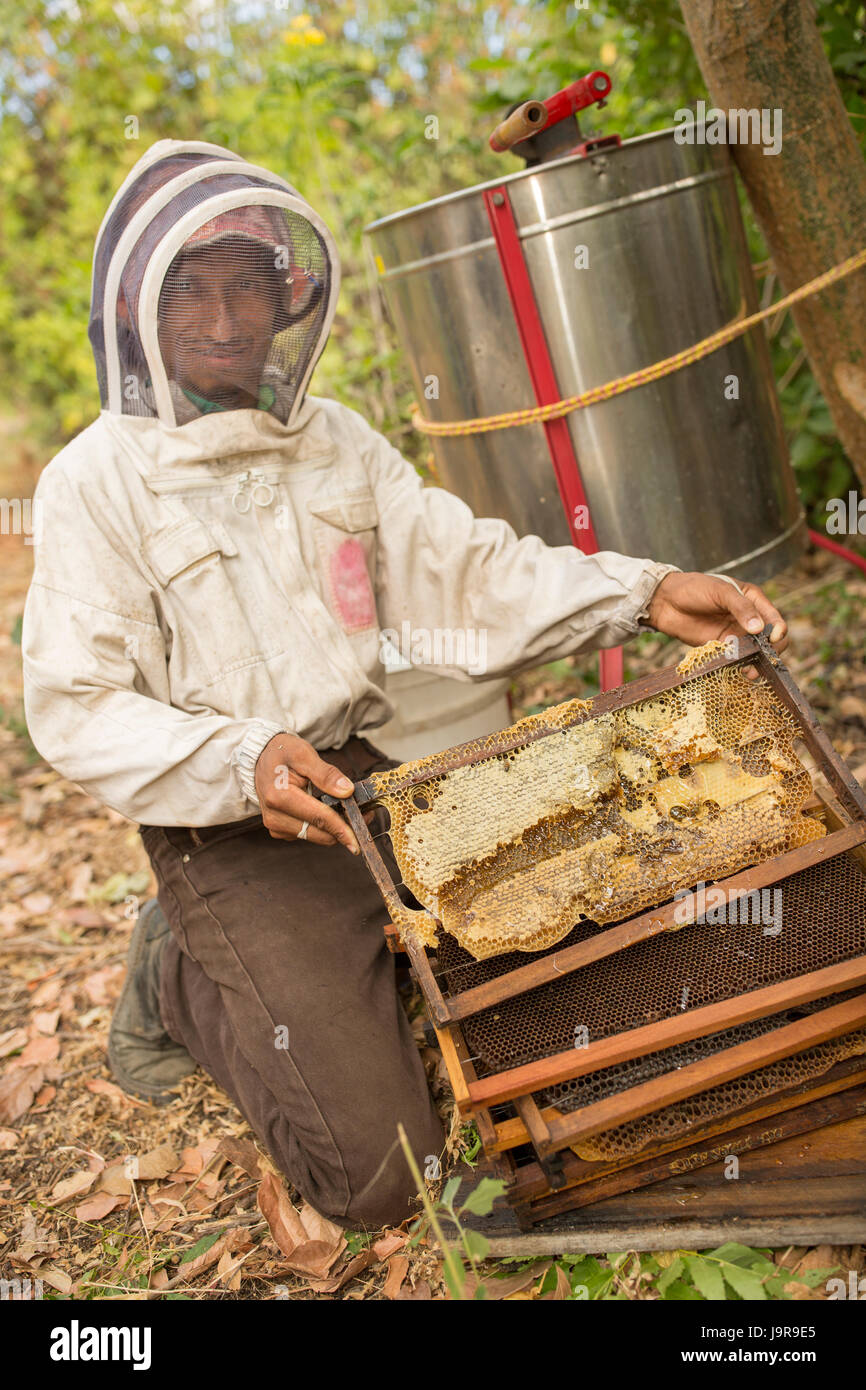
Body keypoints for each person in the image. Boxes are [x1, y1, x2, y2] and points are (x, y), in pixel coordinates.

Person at [22, 139, 788, 1229]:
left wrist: (640, 591)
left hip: (363, 773)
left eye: (248, 282)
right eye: (190, 287)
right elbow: (76, 705)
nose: (228, 317)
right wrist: (234, 760)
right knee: (381, 1178)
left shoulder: (334, 442)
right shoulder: (91, 485)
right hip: (225, 821)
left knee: (557, 991)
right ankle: (179, 976)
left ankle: (331, 957)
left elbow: (464, 568)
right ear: (135, 309)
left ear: (288, 297)